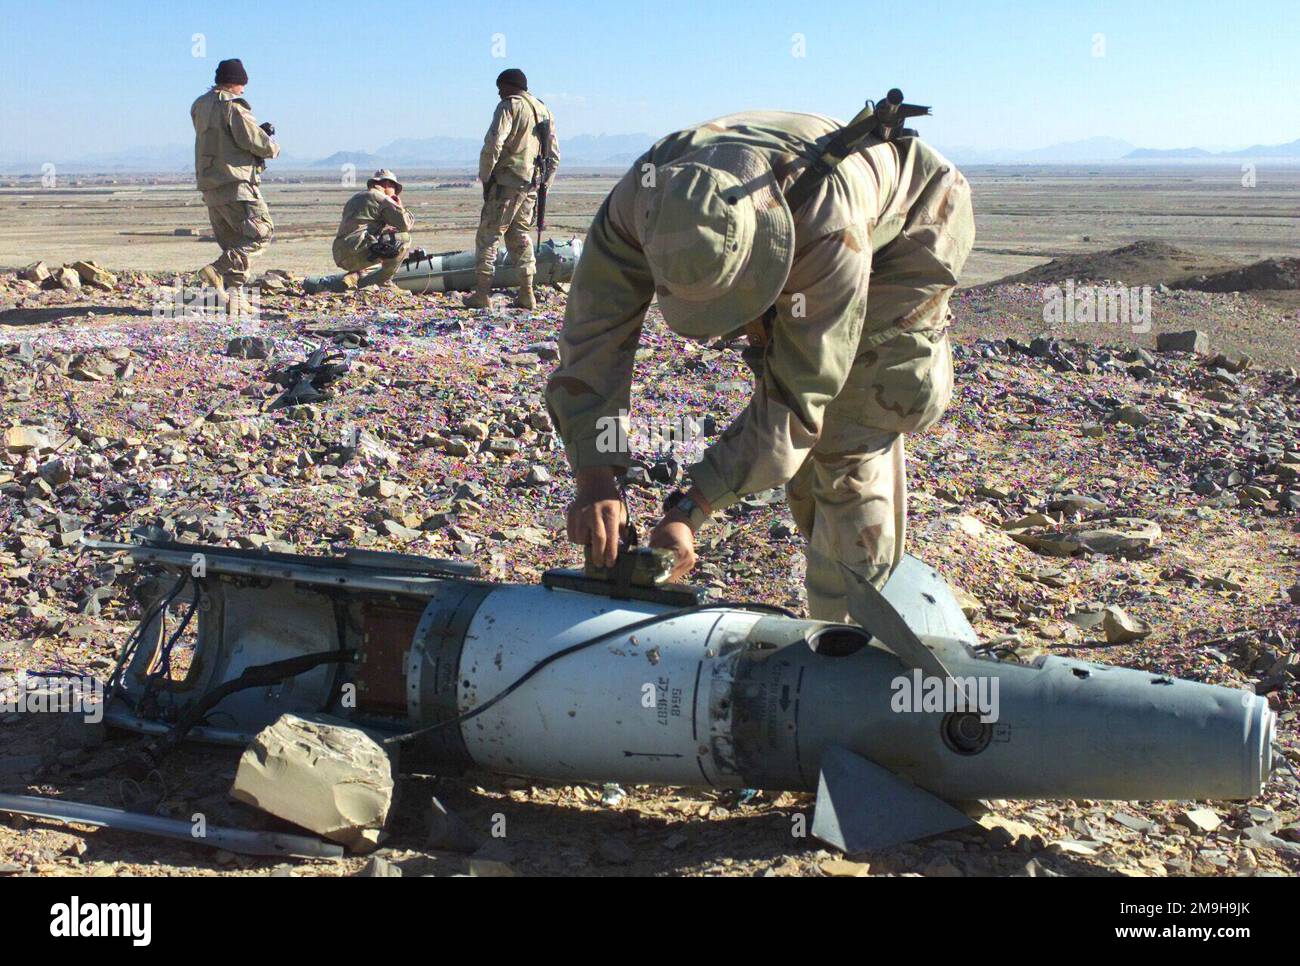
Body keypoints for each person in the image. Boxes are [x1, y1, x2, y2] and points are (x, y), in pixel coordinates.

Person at [546, 110, 974, 621]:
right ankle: (835, 565)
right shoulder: (644, 202)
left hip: (909, 225)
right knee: (801, 467)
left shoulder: (827, 228)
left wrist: (691, 509)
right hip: (798, 217)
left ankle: (850, 644)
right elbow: (593, 339)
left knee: (850, 430)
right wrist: (596, 475)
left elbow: (798, 396)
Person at [465, 68, 559, 311]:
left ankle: (482, 294)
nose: (498, 93)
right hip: (530, 184)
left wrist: (485, 176)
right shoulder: (542, 109)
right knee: (519, 235)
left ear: (509, 86)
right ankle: (527, 293)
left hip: (507, 182)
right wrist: (544, 183)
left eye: (500, 87)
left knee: (489, 235)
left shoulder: (510, 106)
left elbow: (494, 141)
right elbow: (554, 155)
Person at [190, 58, 278, 312]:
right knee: (261, 232)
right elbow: (256, 142)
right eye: (242, 85)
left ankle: (235, 299)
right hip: (236, 182)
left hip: (210, 183)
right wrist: (271, 145)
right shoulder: (233, 107)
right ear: (236, 82)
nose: (243, 91)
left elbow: (222, 138)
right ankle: (215, 270)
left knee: (234, 240)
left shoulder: (200, 105)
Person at [332, 169, 414, 289]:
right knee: (403, 239)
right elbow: (405, 225)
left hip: (341, 254)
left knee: (384, 242)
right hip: (358, 251)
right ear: (387, 184)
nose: (395, 193)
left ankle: (357, 274)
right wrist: (400, 206)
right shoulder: (381, 198)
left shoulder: (355, 198)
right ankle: (384, 282)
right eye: (394, 189)